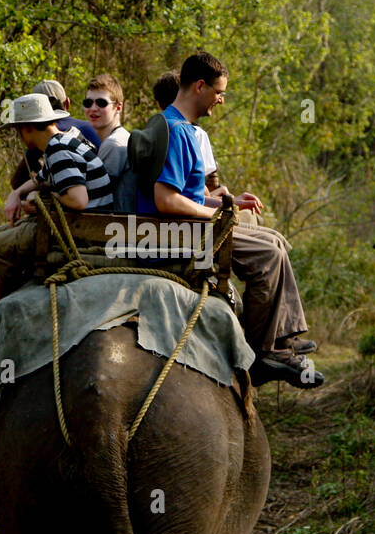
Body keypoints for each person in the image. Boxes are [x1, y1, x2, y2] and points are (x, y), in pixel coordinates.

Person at [130, 51, 323, 388]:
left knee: (275, 240)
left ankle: (283, 337)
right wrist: (217, 215)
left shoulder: (181, 128)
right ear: (200, 86)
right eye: (219, 92)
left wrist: (217, 203)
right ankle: (262, 352)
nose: (220, 100)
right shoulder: (176, 131)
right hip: (176, 234)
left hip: (188, 224)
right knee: (269, 254)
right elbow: (165, 199)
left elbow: (184, 195)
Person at [0, 94, 113, 370]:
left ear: (27, 128)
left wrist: (37, 207)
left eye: (18, 130)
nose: (19, 136)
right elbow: (45, 179)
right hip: (77, 222)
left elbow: (77, 200)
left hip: (78, 230)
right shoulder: (65, 139)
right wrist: (21, 193)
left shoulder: (57, 150)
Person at [86, 73, 130, 180]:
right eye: (88, 102)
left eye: (101, 103)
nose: (93, 108)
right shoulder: (120, 137)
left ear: (118, 107)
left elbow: (96, 193)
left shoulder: (113, 144)